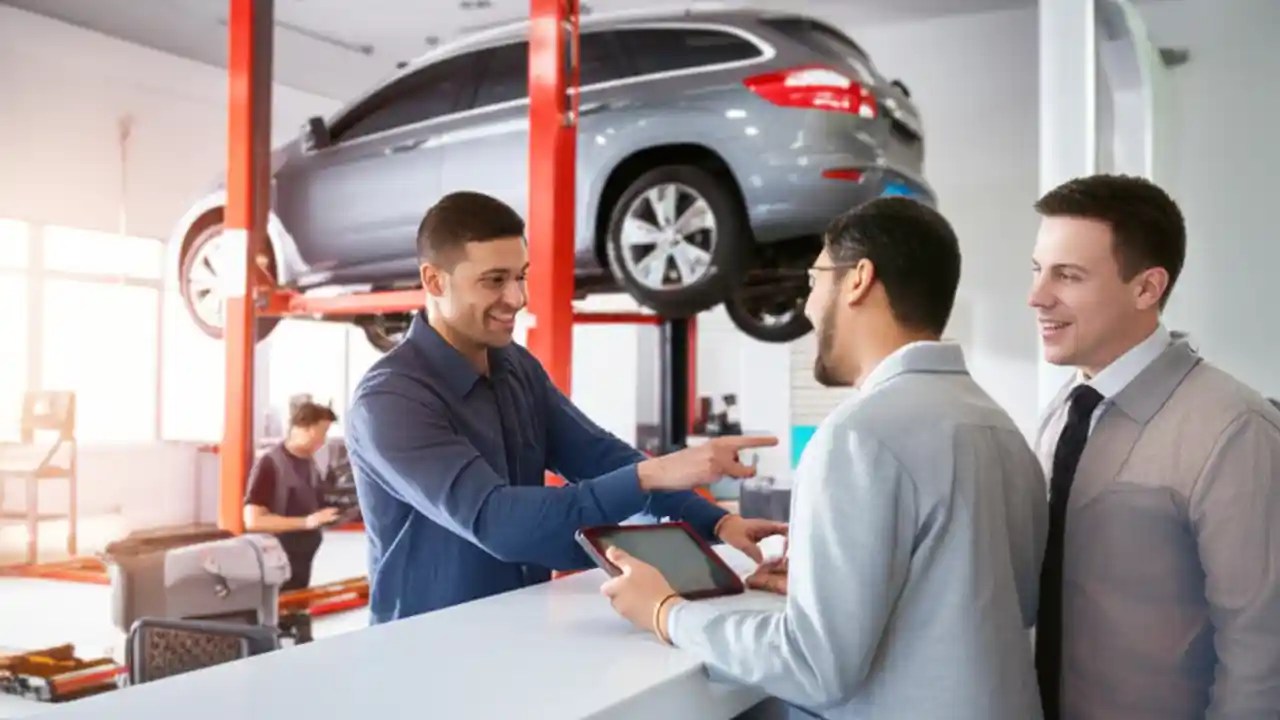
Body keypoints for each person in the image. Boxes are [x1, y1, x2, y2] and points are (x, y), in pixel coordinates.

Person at [600, 197, 1048, 719]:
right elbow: (977, 605)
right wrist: (832, 588)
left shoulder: (859, 436)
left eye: (814, 281)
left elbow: (815, 667)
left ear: (858, 280)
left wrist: (665, 612)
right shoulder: (1001, 427)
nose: (809, 308)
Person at [344, 191, 786, 624]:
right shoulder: (390, 401)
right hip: (424, 647)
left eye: (521, 276)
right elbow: (500, 523)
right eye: (494, 280)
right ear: (434, 281)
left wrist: (717, 522)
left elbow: (599, 458)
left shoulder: (515, 367)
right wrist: (653, 473)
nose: (517, 298)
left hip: (522, 627)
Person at [1027, 173, 1280, 720]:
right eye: (1038, 270)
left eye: (1067, 276)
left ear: (1147, 288)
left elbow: (1262, 651)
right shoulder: (1063, 413)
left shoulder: (1234, 428)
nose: (1037, 297)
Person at [243, 401, 341, 591]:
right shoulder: (270, 465)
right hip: (276, 570)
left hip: (303, 568)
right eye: (321, 432)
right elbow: (253, 520)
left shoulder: (312, 465)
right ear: (301, 427)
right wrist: (306, 522)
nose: (323, 440)